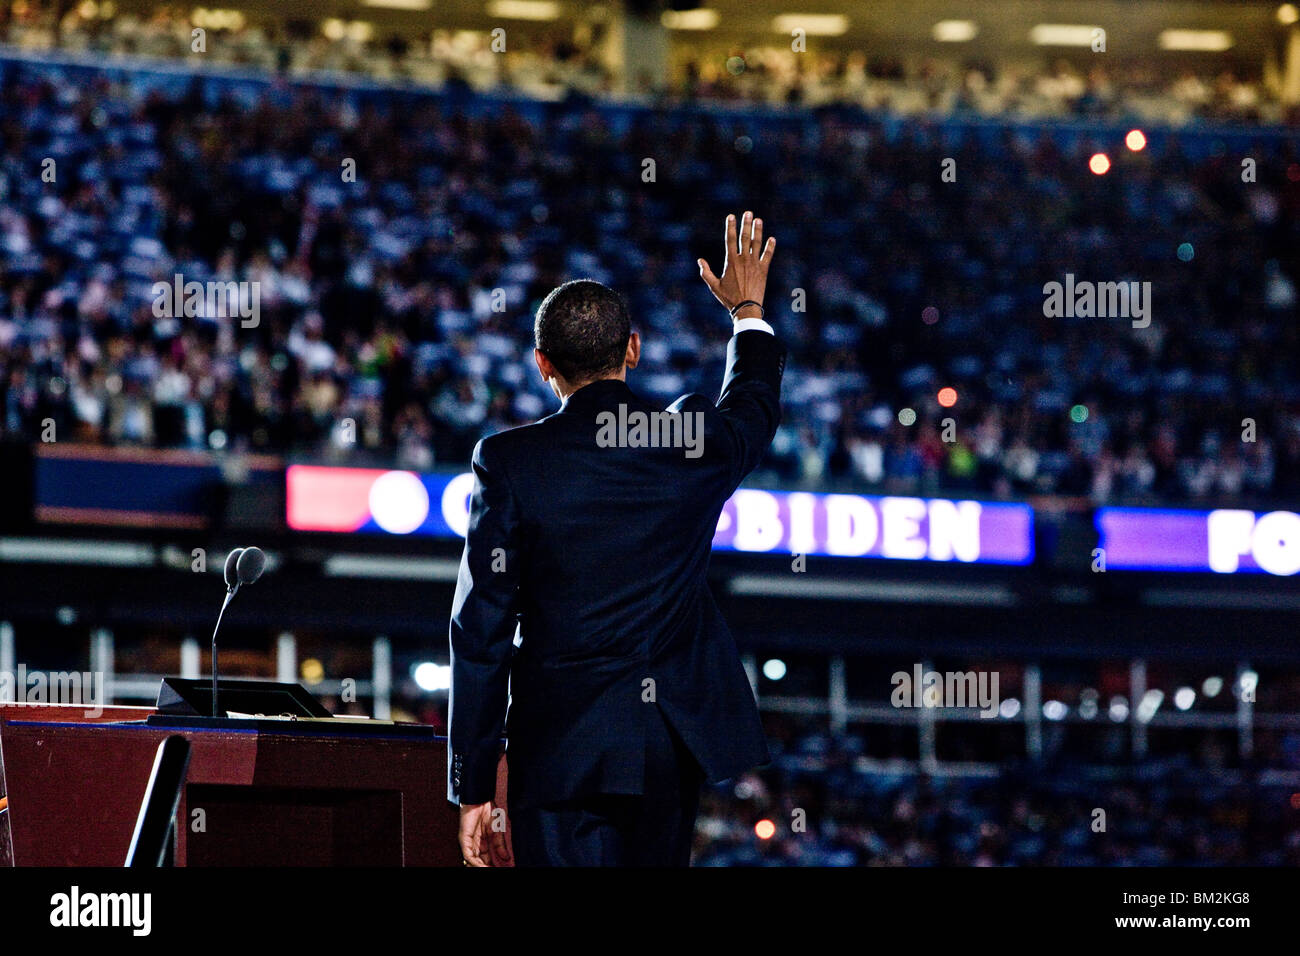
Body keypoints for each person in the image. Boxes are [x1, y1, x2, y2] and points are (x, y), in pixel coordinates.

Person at [448, 211, 785, 866]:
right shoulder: (685, 440)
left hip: (559, 750)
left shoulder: (510, 461)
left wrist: (474, 786)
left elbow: (480, 630)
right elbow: (753, 408)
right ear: (631, 348)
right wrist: (747, 311)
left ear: (543, 363)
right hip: (666, 743)